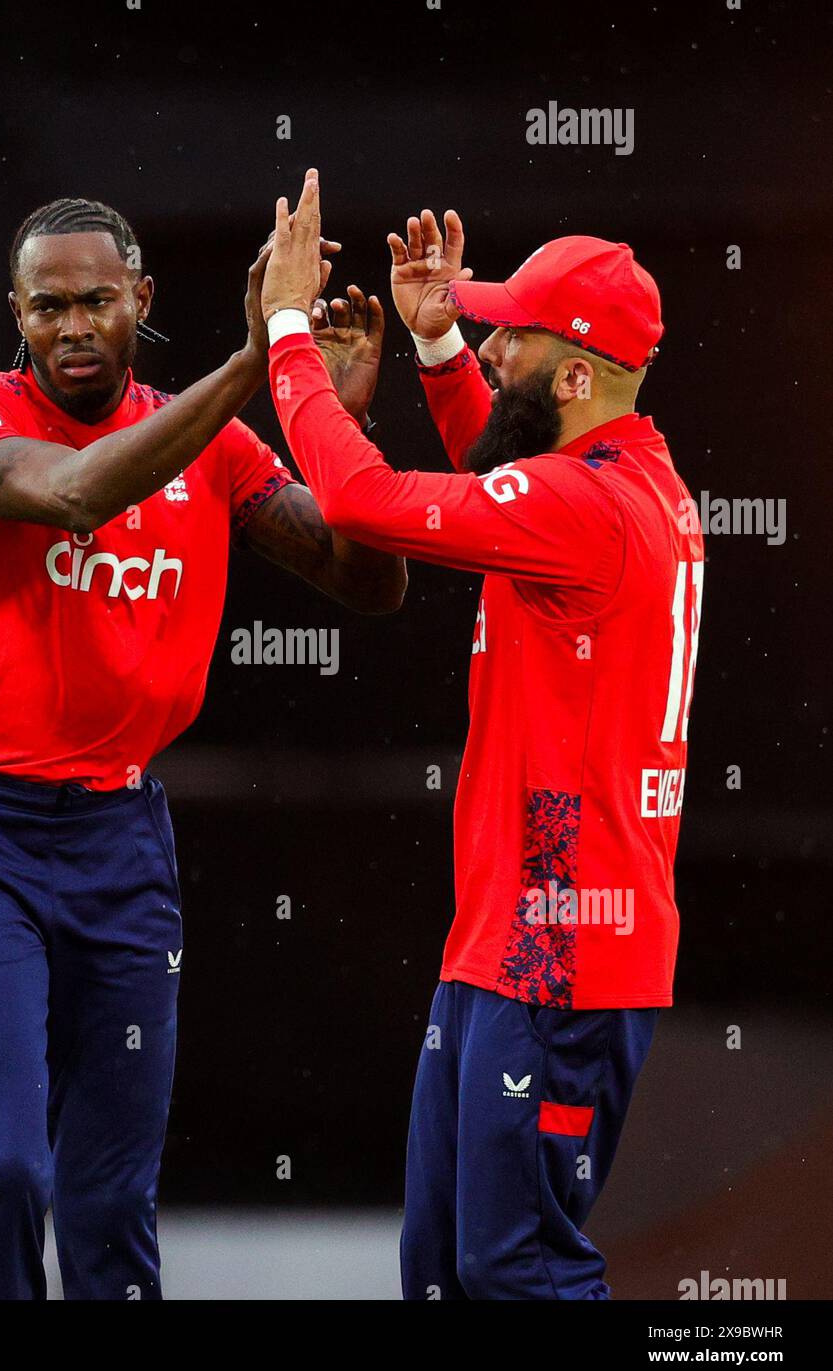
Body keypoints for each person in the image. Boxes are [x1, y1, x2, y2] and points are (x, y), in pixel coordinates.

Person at [0, 196, 405, 1300]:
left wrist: (340, 435)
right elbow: (76, 492)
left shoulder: (211, 445)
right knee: (6, 1167)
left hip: (120, 839)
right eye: (48, 307)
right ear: (16, 316)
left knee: (111, 1198)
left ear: (142, 301)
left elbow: (372, 583)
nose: (72, 327)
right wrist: (263, 356)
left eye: (96, 302)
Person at [260, 170, 703, 1299]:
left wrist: (287, 332)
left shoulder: (585, 507)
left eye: (506, 335)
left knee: (516, 1275)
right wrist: (444, 348)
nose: (490, 348)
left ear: (570, 373)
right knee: (445, 1273)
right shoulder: (622, 476)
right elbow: (508, 483)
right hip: (517, 941)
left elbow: (361, 503)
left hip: (558, 953)